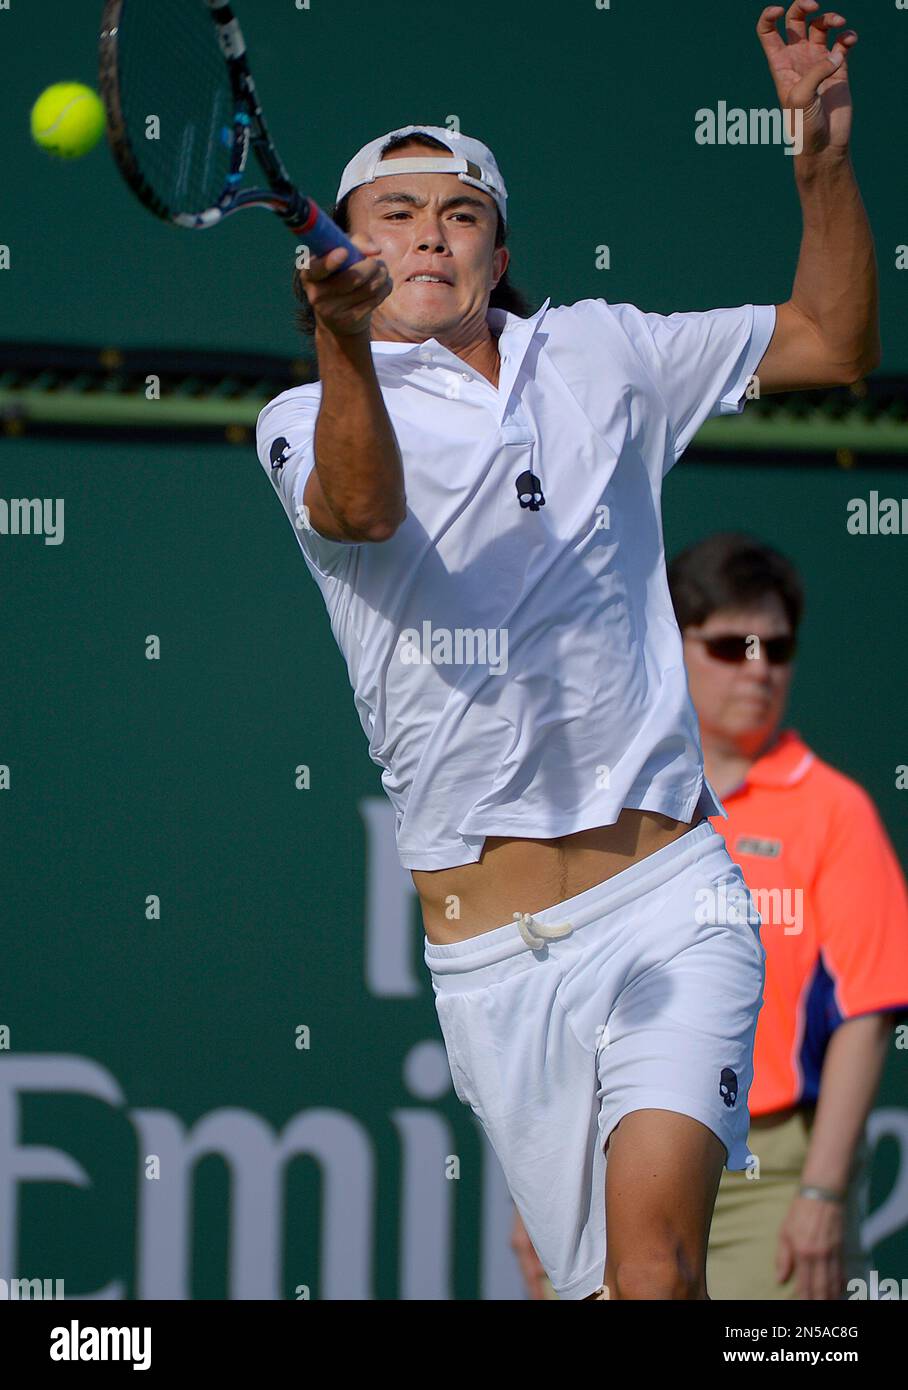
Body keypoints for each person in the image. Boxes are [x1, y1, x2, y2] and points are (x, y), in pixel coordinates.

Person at [256, 4, 879, 1300]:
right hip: (495, 966)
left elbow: (831, 342)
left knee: (655, 1276)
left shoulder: (603, 351)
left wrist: (818, 162)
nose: (429, 229)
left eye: (459, 211)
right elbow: (362, 509)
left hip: (673, 899)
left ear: (498, 246)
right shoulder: (309, 413)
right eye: (394, 210)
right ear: (347, 248)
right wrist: (338, 336)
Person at [512, 534, 908, 1299]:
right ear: (669, 643)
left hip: (770, 1179)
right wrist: (543, 1190)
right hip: (619, 1168)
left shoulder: (835, 811)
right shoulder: (607, 807)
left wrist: (821, 1195)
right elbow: (563, 1006)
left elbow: (868, 1014)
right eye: (732, 645)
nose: (759, 668)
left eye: (778, 647)